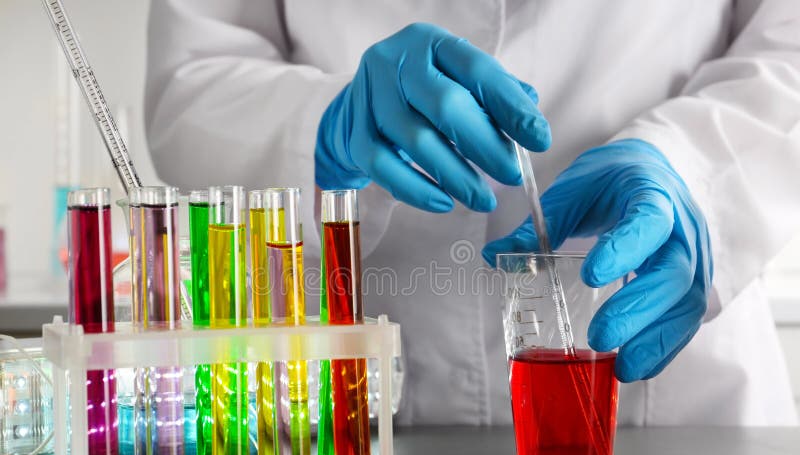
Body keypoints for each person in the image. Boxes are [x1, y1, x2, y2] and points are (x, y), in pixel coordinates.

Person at [145, 1, 800, 426]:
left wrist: (693, 168)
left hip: (685, 422)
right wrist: (328, 125)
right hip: (358, 408)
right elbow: (192, 80)